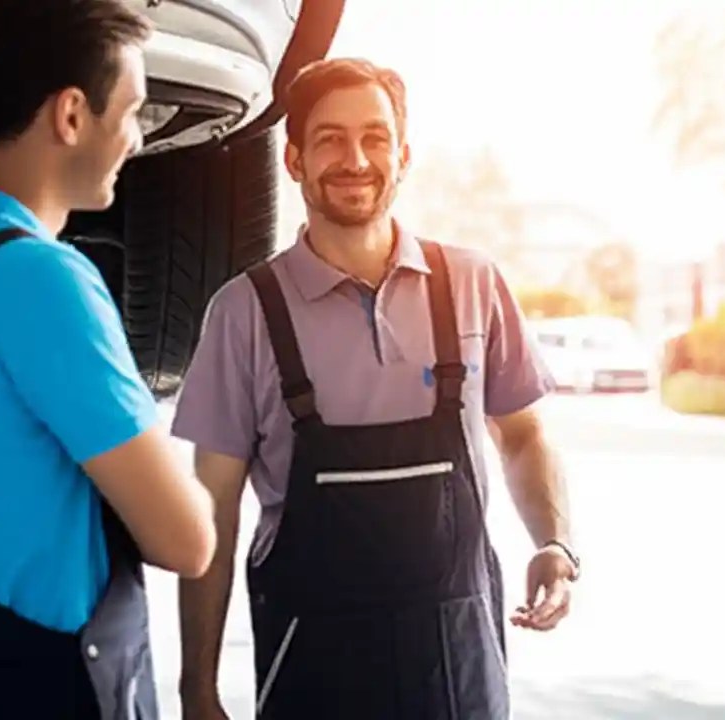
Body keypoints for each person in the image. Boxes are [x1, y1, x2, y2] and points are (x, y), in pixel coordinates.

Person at [173, 57, 580, 720]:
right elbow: (211, 510)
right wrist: (198, 688)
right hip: (312, 673)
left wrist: (554, 542)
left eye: (375, 137)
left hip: (459, 668)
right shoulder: (244, 312)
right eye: (330, 138)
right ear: (295, 160)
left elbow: (525, 435)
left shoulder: (472, 284)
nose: (355, 158)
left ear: (404, 155)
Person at [0, 0, 216, 716]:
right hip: (57, 692)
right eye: (129, 112)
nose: (132, 139)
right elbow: (186, 540)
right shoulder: (44, 278)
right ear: (71, 115)